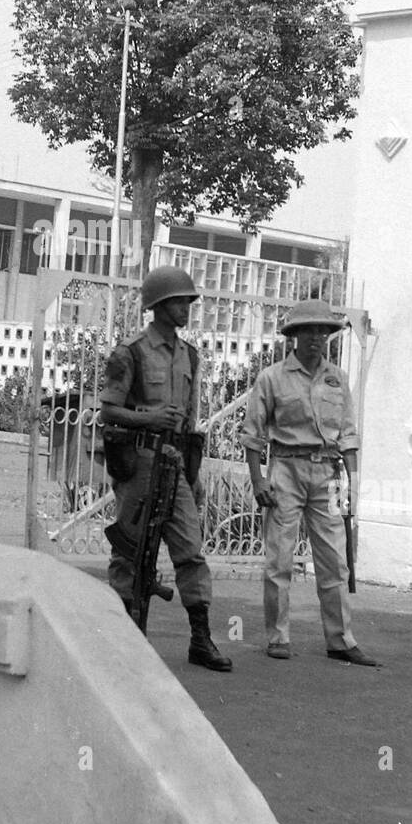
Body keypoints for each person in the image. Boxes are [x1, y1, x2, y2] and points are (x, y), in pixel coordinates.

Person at [100, 265, 232, 673]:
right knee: (130, 551)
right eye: (177, 301)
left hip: (175, 462)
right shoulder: (131, 352)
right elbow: (108, 411)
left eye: (188, 301)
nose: (185, 308)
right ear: (156, 306)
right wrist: (149, 419)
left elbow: (190, 422)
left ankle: (200, 638)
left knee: (191, 551)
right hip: (140, 461)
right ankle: (124, 636)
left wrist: (193, 475)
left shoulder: (190, 354)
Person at [241, 299, 381, 666]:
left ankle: (341, 640)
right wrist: (258, 480)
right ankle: (278, 636)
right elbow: (253, 435)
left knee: (335, 560)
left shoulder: (337, 379)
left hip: (329, 473)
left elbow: (348, 433)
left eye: (324, 331)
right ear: (295, 336)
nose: (318, 337)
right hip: (286, 469)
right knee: (280, 558)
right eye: (310, 331)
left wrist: (353, 482)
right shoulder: (272, 378)